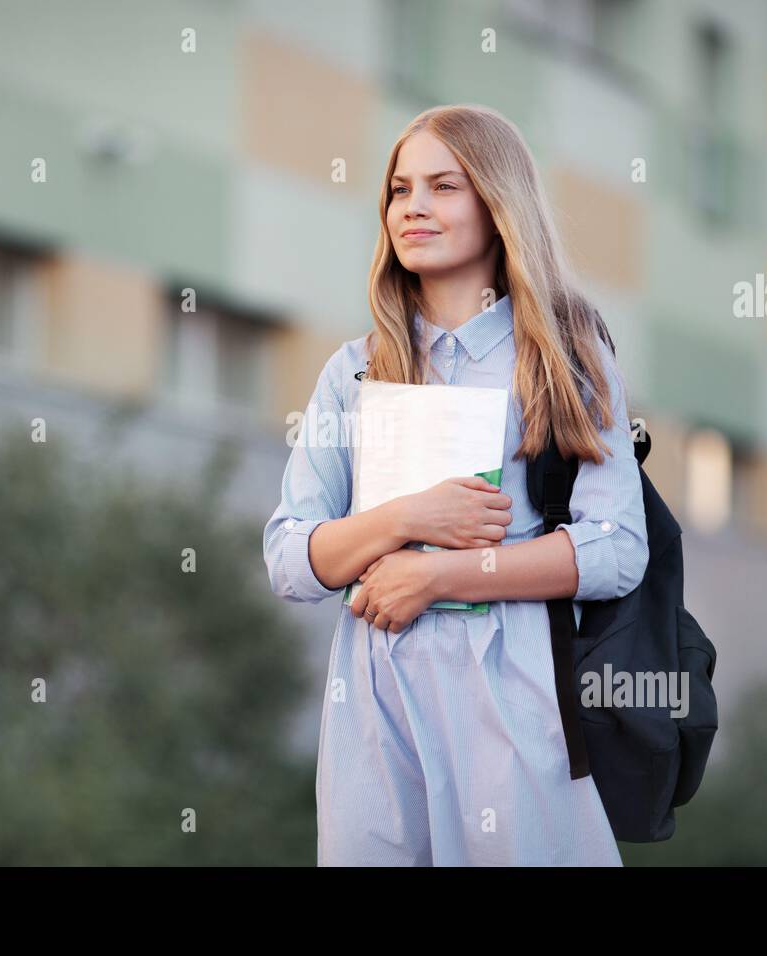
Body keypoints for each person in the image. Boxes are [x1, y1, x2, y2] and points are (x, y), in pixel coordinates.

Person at [263, 105, 648, 866]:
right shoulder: (357, 370)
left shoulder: (564, 358)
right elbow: (290, 558)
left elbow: (617, 549)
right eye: (400, 189)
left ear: (497, 203)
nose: (414, 206)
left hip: (515, 702)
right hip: (376, 709)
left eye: (444, 186)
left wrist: (438, 572)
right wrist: (411, 515)